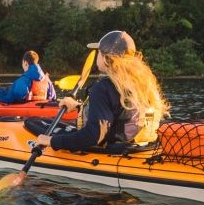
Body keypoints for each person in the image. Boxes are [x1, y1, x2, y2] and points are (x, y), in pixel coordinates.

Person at [35, 30, 169, 151]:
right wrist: (80, 107)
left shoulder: (102, 88)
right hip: (139, 148)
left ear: (106, 58)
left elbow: (94, 135)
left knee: (33, 124)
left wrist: (52, 141)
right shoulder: (143, 84)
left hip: (112, 150)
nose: (96, 56)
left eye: (99, 52)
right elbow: (120, 113)